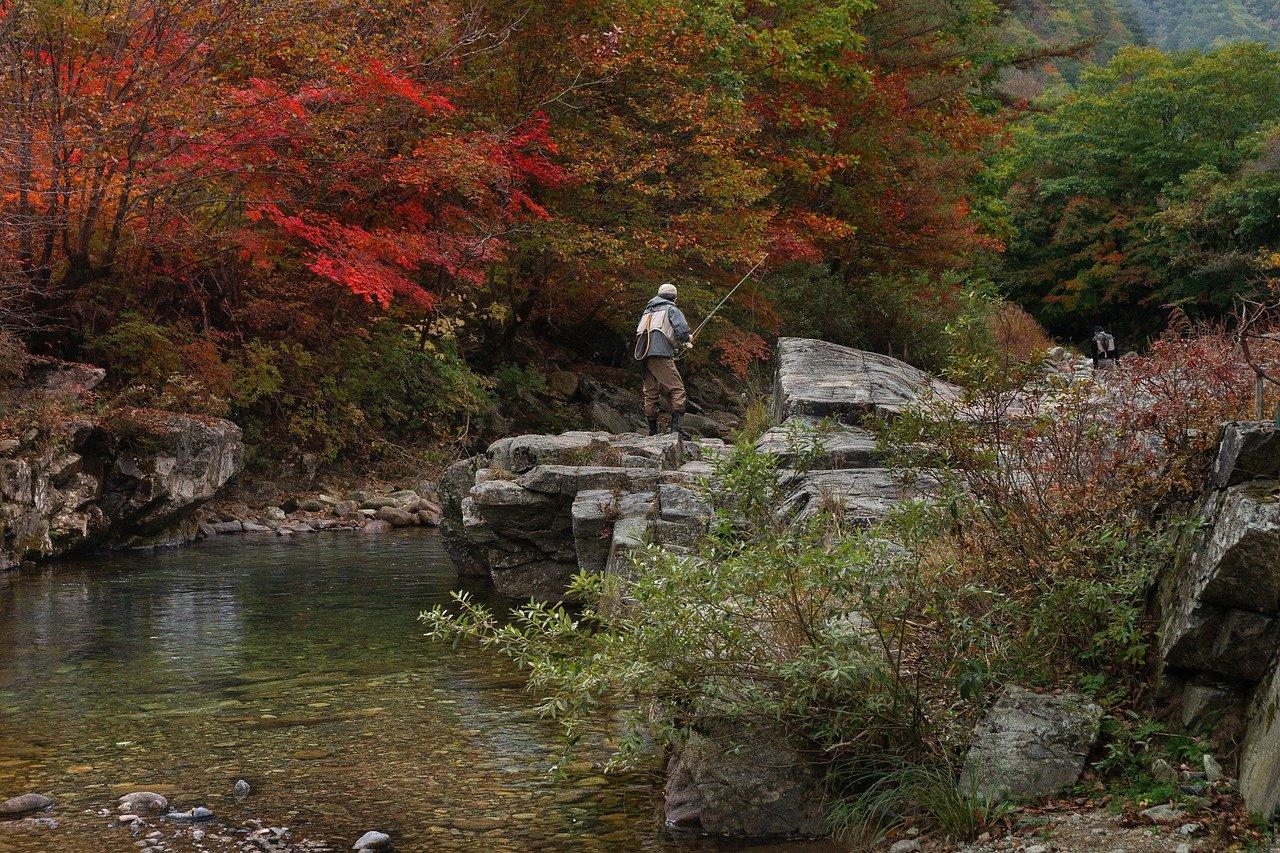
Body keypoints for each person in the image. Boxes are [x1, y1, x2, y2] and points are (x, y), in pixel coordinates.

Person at [634, 283, 693, 438]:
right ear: (675, 298)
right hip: (660, 355)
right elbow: (681, 330)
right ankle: (676, 428)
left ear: (659, 295)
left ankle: (653, 431)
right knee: (677, 389)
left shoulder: (647, 312)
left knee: (651, 393)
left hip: (643, 356)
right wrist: (687, 339)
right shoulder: (672, 309)